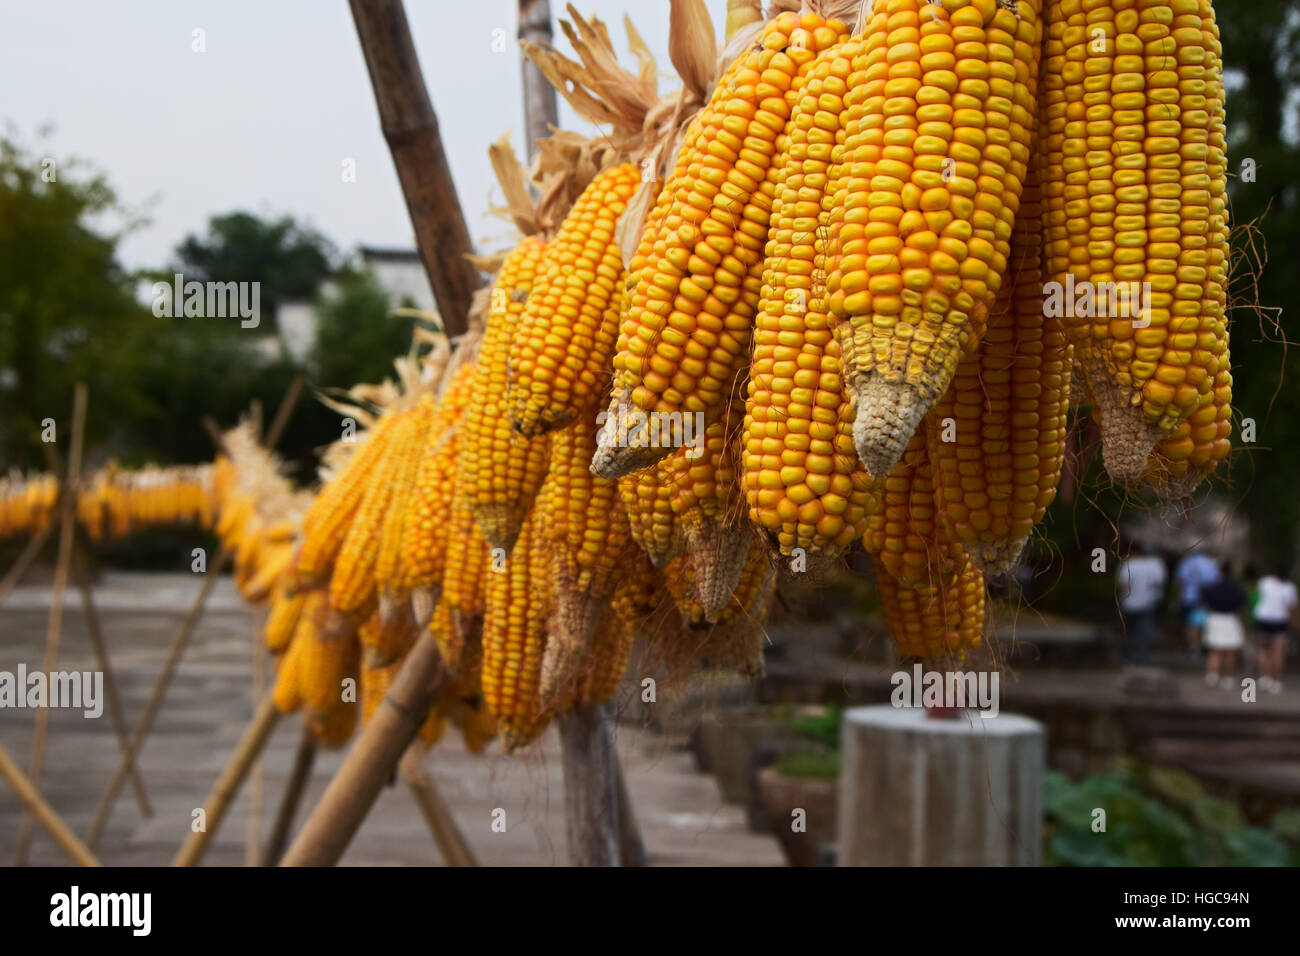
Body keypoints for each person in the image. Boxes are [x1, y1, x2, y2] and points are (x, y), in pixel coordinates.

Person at [1117, 541, 1167, 667]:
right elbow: (1160, 583)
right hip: (1147, 603)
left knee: (1127, 632)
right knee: (1144, 634)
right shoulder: (1155, 564)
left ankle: (1126, 658)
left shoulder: (1128, 564)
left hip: (1128, 603)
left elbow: (1122, 584)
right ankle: (1142, 660)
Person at [1200, 560, 1246, 688]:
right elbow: (1241, 608)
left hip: (1214, 618)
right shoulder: (1236, 589)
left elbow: (1204, 602)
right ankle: (1228, 677)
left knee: (1214, 650)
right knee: (1229, 651)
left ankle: (1212, 675)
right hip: (1230, 619)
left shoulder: (1210, 588)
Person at [1253, 563, 1297, 694]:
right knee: (1278, 652)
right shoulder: (1290, 588)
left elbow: (1258, 596)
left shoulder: (1264, 582)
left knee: (1264, 650)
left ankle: (1264, 677)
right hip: (1280, 621)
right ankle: (1276, 681)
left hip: (1264, 619)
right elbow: (1291, 608)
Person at [1175, 550, 1220, 658]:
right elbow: (1215, 582)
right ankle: (1199, 646)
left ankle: (1193, 647)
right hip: (1204, 599)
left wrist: (1177, 597)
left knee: (1191, 624)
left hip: (1188, 597)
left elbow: (1181, 582)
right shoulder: (1210, 563)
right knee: (1200, 623)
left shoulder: (1186, 562)